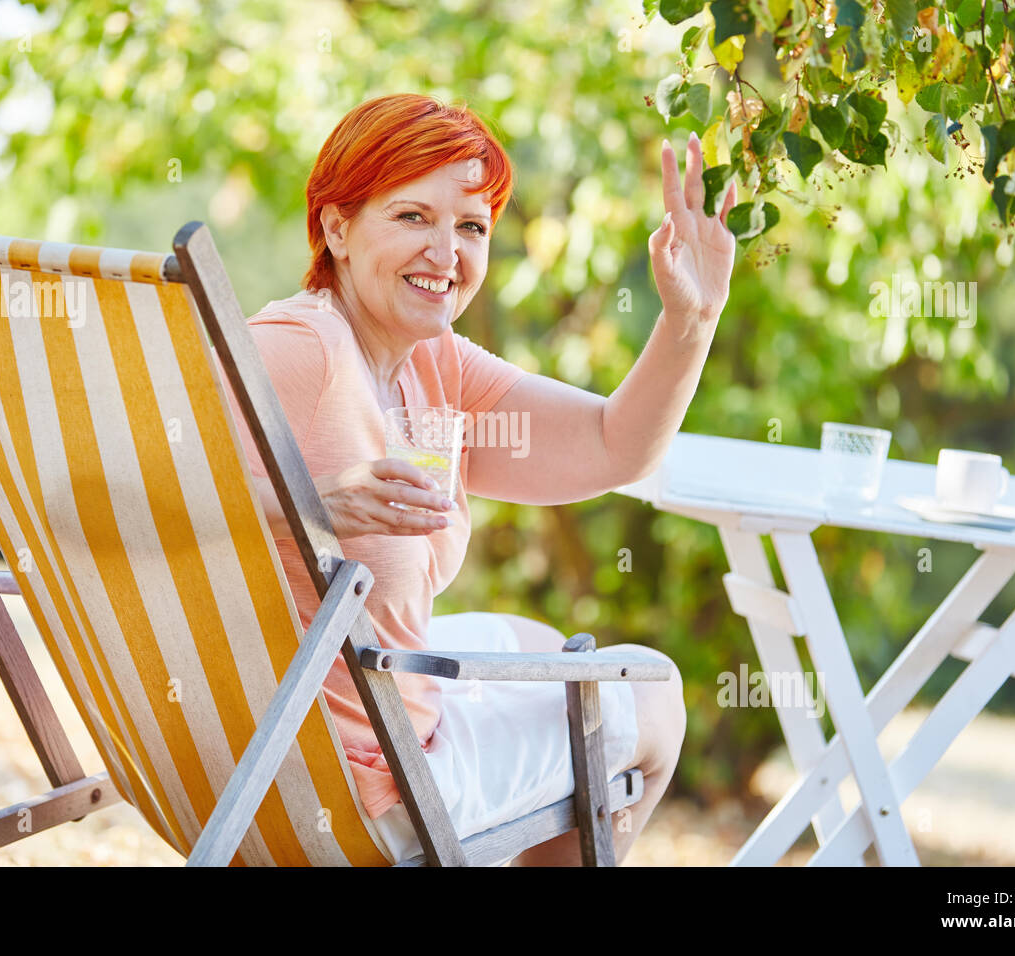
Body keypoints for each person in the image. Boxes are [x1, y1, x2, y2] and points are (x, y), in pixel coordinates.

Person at [218, 92, 736, 865]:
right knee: (652, 689)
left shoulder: (435, 364)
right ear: (336, 228)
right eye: (412, 217)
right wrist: (306, 504)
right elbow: (97, 489)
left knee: (541, 647)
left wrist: (689, 322)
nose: (446, 252)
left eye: (471, 227)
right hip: (343, 778)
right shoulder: (304, 347)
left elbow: (613, 444)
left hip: (334, 717)